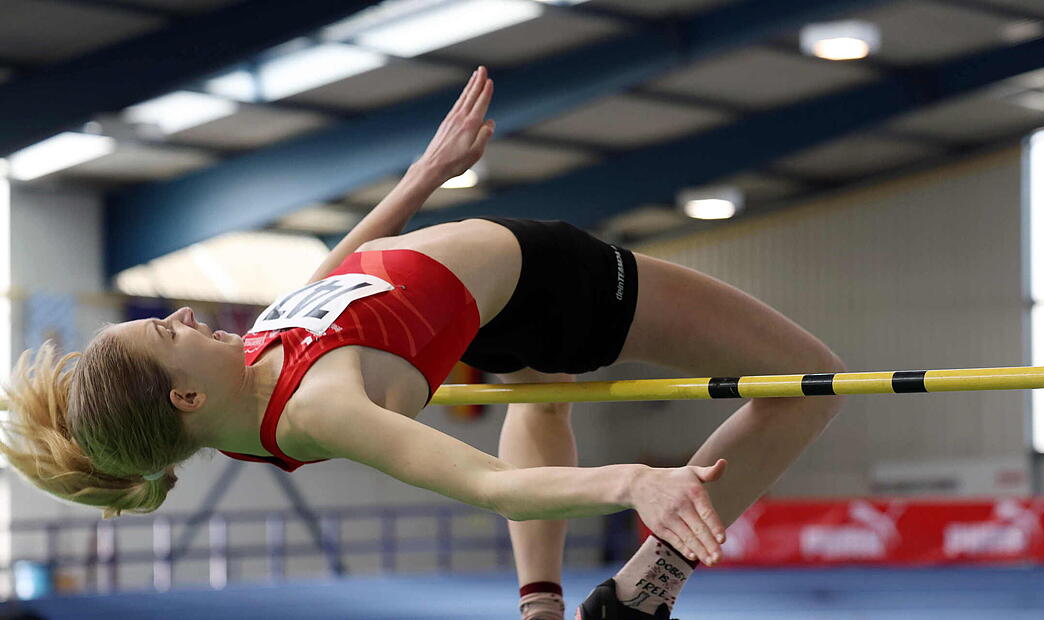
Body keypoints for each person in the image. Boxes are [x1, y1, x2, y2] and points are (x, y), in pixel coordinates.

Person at [1, 67, 845, 620]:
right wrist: (638, 483)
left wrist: (422, 177)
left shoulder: (246, 378)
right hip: (555, 281)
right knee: (812, 377)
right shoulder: (320, 407)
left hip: (483, 317)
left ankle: (543, 604)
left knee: (542, 388)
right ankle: (653, 582)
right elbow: (488, 483)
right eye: (166, 331)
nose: (184, 315)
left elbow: (329, 278)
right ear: (185, 397)